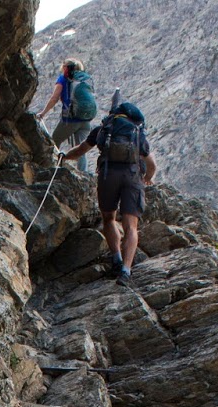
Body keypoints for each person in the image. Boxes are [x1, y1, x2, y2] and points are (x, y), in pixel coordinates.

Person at [62, 102, 156, 281]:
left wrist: (64, 156)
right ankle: (126, 271)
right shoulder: (136, 132)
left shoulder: (104, 129)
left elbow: (81, 149)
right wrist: (148, 177)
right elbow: (151, 163)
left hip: (108, 175)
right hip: (132, 176)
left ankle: (117, 259)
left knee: (109, 218)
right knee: (131, 226)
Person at [36, 59, 96, 172]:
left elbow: (54, 98)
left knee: (54, 141)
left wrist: (43, 113)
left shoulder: (63, 79)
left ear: (66, 68)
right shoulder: (85, 79)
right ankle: (83, 173)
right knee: (81, 148)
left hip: (70, 120)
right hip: (85, 119)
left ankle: (54, 167)